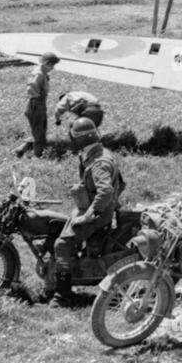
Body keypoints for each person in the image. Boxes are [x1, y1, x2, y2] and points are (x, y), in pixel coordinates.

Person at [46, 117, 124, 304]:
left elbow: (106, 191)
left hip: (97, 215)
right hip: (90, 209)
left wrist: (89, 215)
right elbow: (121, 184)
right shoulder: (98, 153)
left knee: (61, 246)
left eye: (74, 137)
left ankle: (63, 295)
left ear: (80, 139)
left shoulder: (98, 162)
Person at [16, 53, 59, 158]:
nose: (52, 68)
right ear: (46, 63)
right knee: (39, 132)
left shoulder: (42, 72)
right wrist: (37, 97)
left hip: (39, 105)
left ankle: (22, 149)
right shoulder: (39, 74)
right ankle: (38, 156)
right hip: (36, 105)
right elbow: (30, 88)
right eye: (52, 66)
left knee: (39, 130)